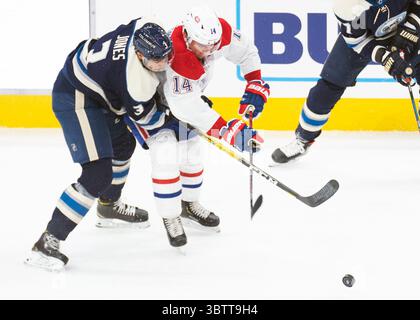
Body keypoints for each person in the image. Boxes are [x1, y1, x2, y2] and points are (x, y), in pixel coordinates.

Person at [25, 17, 174, 271]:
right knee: (97, 174)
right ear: (139, 54)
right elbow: (149, 120)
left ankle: (108, 206)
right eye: (156, 61)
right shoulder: (135, 81)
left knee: (124, 145)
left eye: (166, 57)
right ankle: (48, 241)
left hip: (98, 88)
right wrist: (176, 120)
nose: (163, 64)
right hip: (76, 97)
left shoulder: (144, 28)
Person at [148, 5, 270, 243]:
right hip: (156, 107)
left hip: (185, 100)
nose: (210, 50)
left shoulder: (214, 37)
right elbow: (183, 105)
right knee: (165, 158)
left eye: (213, 45)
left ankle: (189, 206)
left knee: (192, 156)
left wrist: (254, 81)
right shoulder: (177, 57)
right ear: (187, 36)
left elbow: (246, 51)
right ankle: (170, 216)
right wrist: (226, 130)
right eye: (203, 46)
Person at [271, 0, 420, 164]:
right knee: (328, 85)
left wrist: (411, 28)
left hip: (408, 21)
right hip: (369, 36)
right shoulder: (346, 4)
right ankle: (303, 138)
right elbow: (357, 41)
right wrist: (385, 58)